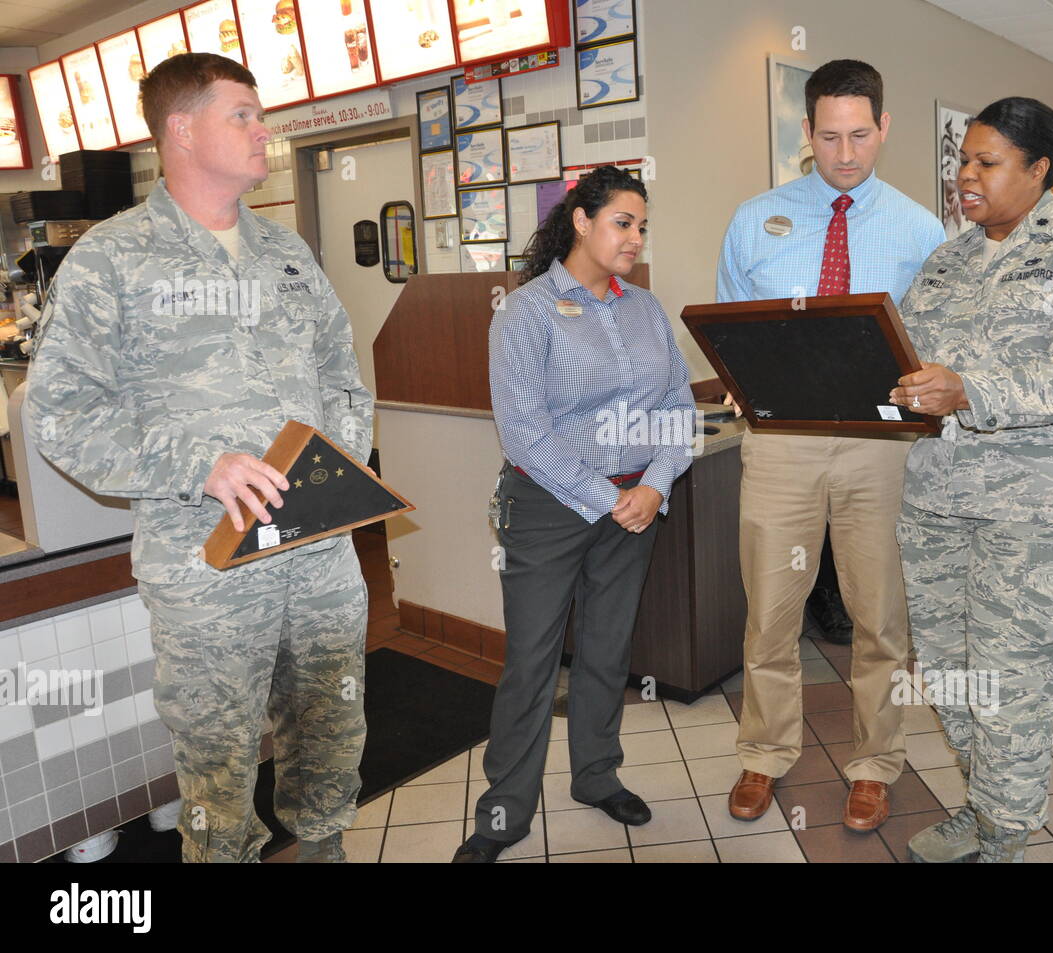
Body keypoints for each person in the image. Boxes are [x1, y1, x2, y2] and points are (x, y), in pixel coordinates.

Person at [25, 53, 372, 863]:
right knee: (216, 766)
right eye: (243, 115)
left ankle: (323, 848)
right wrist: (199, 464)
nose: (264, 131)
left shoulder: (287, 254)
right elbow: (61, 413)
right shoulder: (112, 261)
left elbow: (344, 376)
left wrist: (339, 467)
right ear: (182, 129)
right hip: (206, 568)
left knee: (331, 733)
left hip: (319, 553)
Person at [891, 97, 1053, 862]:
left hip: (1032, 511)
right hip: (937, 498)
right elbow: (908, 366)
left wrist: (971, 389)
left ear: (1040, 170)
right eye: (962, 159)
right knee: (950, 674)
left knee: (1008, 677)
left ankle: (1006, 834)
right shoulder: (948, 259)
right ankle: (984, 801)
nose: (965, 176)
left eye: (986, 163)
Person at [717, 59, 945, 832]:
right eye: (827, 136)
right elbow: (733, 328)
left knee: (880, 615)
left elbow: (936, 347)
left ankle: (877, 761)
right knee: (770, 612)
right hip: (781, 442)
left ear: (884, 127)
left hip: (880, 447)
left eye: (859, 135)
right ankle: (764, 749)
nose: (844, 154)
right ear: (805, 133)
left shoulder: (921, 228)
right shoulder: (755, 218)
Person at [453, 166, 695, 863]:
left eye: (642, 226)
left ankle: (595, 775)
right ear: (582, 222)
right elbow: (525, 431)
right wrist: (605, 495)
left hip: (635, 502)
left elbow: (678, 407)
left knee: (607, 647)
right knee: (532, 659)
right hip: (550, 504)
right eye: (623, 223)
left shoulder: (646, 308)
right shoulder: (525, 311)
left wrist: (653, 483)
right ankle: (503, 813)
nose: (635, 238)